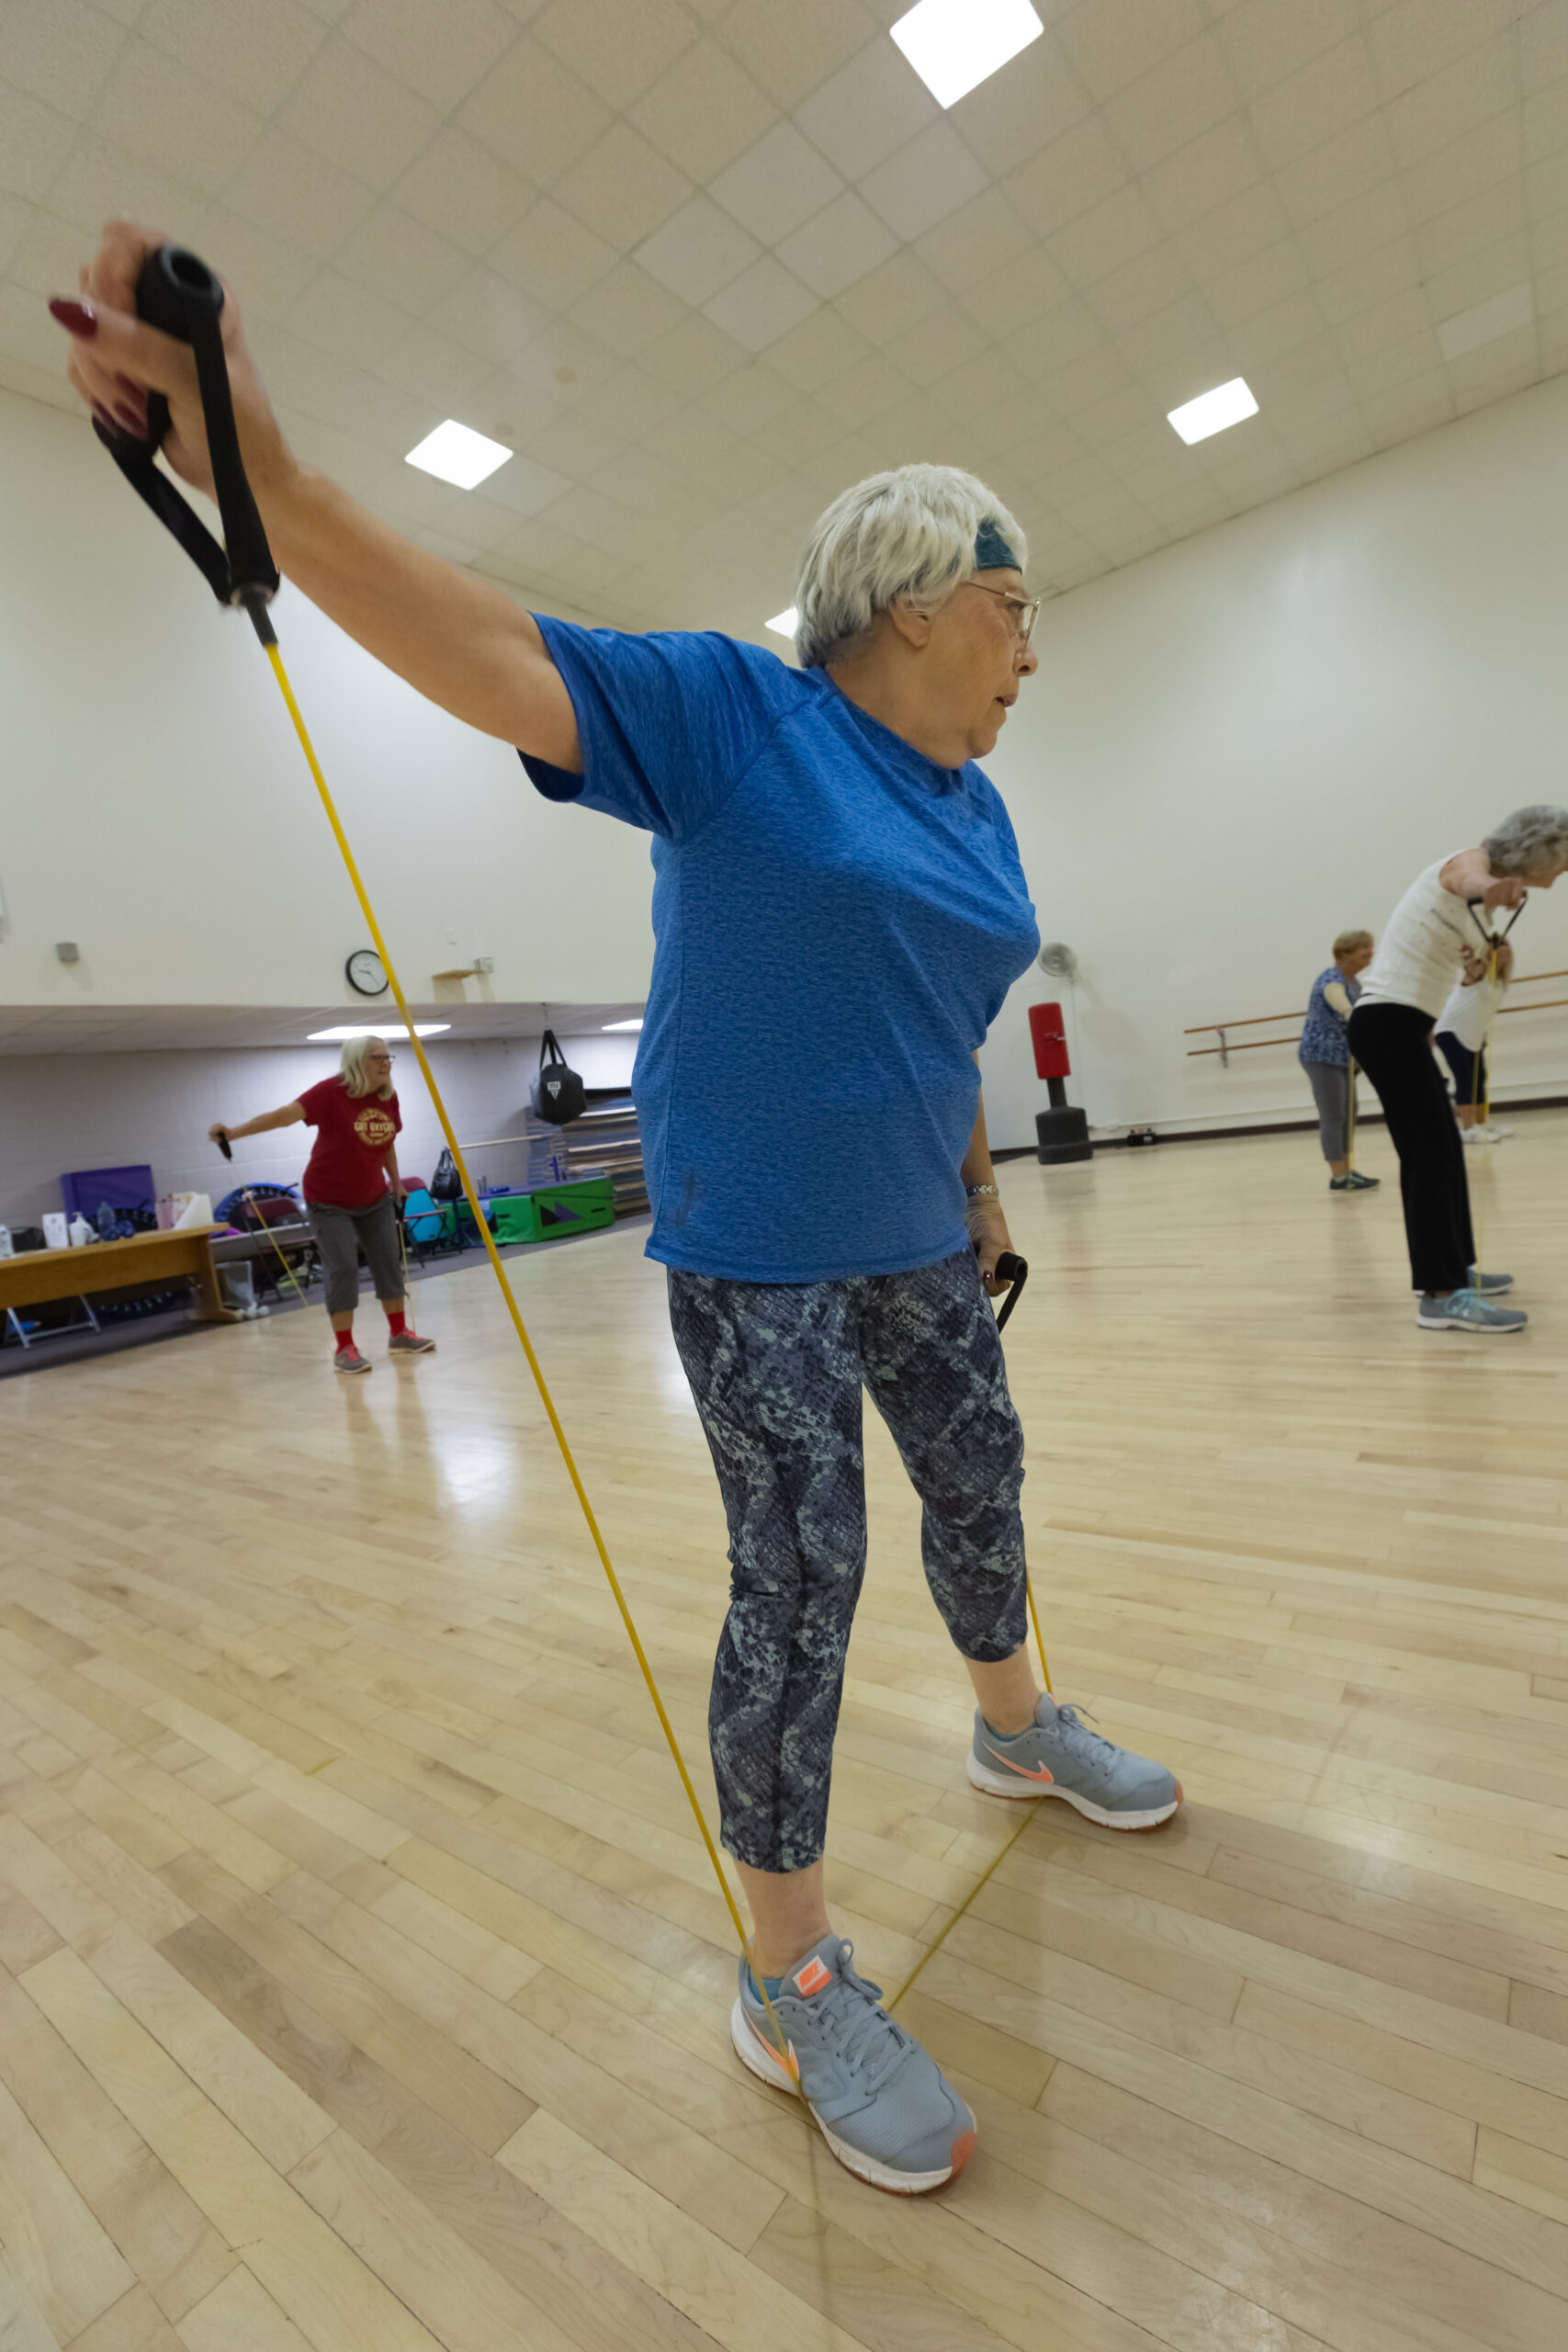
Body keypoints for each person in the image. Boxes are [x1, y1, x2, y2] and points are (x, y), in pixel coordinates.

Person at [58, 221, 1180, 2198]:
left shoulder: (980, 807)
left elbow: (934, 1019)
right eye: (1015, 611)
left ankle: (1013, 1726)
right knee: (802, 1578)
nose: (1031, 652)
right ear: (917, 600)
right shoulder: (738, 716)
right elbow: (490, 647)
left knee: (982, 1481)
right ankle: (789, 1969)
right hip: (757, 1253)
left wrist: (980, 1185)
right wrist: (267, 472)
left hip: (921, 1232)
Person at [1348, 809, 1568, 1334]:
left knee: (1444, 1152)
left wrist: (1475, 967)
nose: (1561, 875)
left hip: (1404, 1028)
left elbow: (1444, 965)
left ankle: (1456, 1269)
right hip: (1385, 1025)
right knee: (1427, 1158)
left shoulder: (1477, 914)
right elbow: (1469, 876)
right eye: (1562, 864)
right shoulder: (1470, 862)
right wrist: (1490, 887)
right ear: (1540, 850)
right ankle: (1440, 1295)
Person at [211, 1035, 434, 1374]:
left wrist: (396, 1182)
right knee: (343, 1267)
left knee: (388, 1261)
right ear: (357, 1061)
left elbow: (385, 1140)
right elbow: (284, 1116)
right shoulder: (330, 1092)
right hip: (328, 1200)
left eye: (388, 1057)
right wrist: (233, 1133)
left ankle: (399, 1334)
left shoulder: (387, 1097)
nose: (385, 1063)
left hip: (374, 1196)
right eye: (377, 1057)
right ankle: (345, 1348)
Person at [1298, 928, 1378, 1191]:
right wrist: (1349, 1011)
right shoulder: (1331, 978)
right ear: (1345, 953)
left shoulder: (1356, 983)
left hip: (1343, 1057)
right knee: (1334, 1116)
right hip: (1321, 1055)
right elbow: (1335, 996)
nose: (1370, 952)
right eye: (1363, 947)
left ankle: (1347, 1169)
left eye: (1370, 946)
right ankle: (1339, 1177)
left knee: (1350, 1112)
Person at [1435, 938, 1515, 1145]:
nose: (1503, 952)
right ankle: (1468, 1129)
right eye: (1499, 949)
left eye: (1506, 949)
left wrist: (1483, 1033)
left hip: (1473, 1035)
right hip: (1451, 1030)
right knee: (1465, 1079)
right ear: (1489, 953)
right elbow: (1468, 965)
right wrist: (1473, 956)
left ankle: (1480, 1124)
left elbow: (1483, 1010)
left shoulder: (1499, 980)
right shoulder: (1479, 972)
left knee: (1479, 1078)